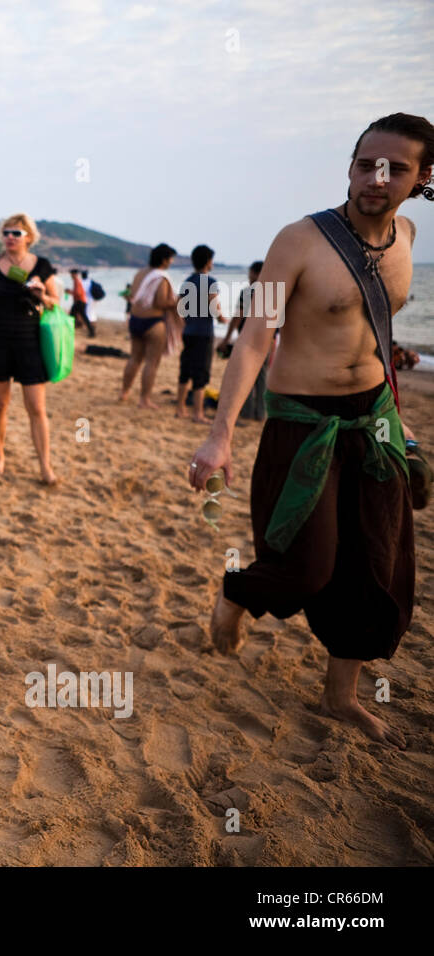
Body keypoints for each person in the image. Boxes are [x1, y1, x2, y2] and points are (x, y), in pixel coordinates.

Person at [189, 112, 434, 748]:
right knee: (307, 564)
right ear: (350, 167)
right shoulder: (299, 240)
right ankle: (237, 592)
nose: (376, 179)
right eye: (364, 164)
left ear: (423, 177)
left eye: (395, 168)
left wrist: (400, 431)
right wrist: (220, 437)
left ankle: (340, 696)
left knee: (375, 562)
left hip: (374, 420)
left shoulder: (406, 234)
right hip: (302, 422)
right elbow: (252, 340)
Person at [0, 214, 61, 483]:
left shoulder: (40, 266)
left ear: (28, 237)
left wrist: (41, 294)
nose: (10, 237)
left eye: (16, 233)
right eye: (6, 232)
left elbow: (56, 301)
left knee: (37, 408)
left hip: (28, 342)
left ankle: (45, 466)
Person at [119, 243, 177, 408]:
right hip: (154, 322)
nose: (171, 262)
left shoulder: (140, 273)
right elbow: (160, 302)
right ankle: (144, 399)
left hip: (135, 319)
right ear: (164, 260)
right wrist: (177, 301)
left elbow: (132, 295)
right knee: (152, 362)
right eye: (171, 258)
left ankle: (124, 391)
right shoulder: (161, 277)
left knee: (134, 358)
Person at [175, 245, 225, 422]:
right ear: (208, 261)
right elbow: (214, 305)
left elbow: (178, 307)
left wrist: (185, 324)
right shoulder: (210, 282)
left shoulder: (187, 281)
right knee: (201, 373)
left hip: (189, 331)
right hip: (203, 332)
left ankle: (180, 409)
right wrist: (222, 319)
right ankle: (198, 413)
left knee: (185, 369)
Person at [218, 260, 272, 421]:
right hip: (266, 340)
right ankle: (261, 413)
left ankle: (247, 411)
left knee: (244, 376)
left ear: (257, 274)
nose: (249, 276)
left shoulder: (248, 292)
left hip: (249, 340)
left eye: (251, 272)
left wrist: (227, 338)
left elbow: (237, 317)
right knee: (262, 377)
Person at [68, 267, 94, 336]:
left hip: (80, 302)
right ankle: (91, 331)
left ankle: (70, 331)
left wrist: (70, 292)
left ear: (74, 274)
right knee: (79, 316)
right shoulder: (77, 280)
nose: (70, 276)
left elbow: (78, 293)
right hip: (81, 301)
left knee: (72, 316)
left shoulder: (76, 280)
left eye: (71, 274)